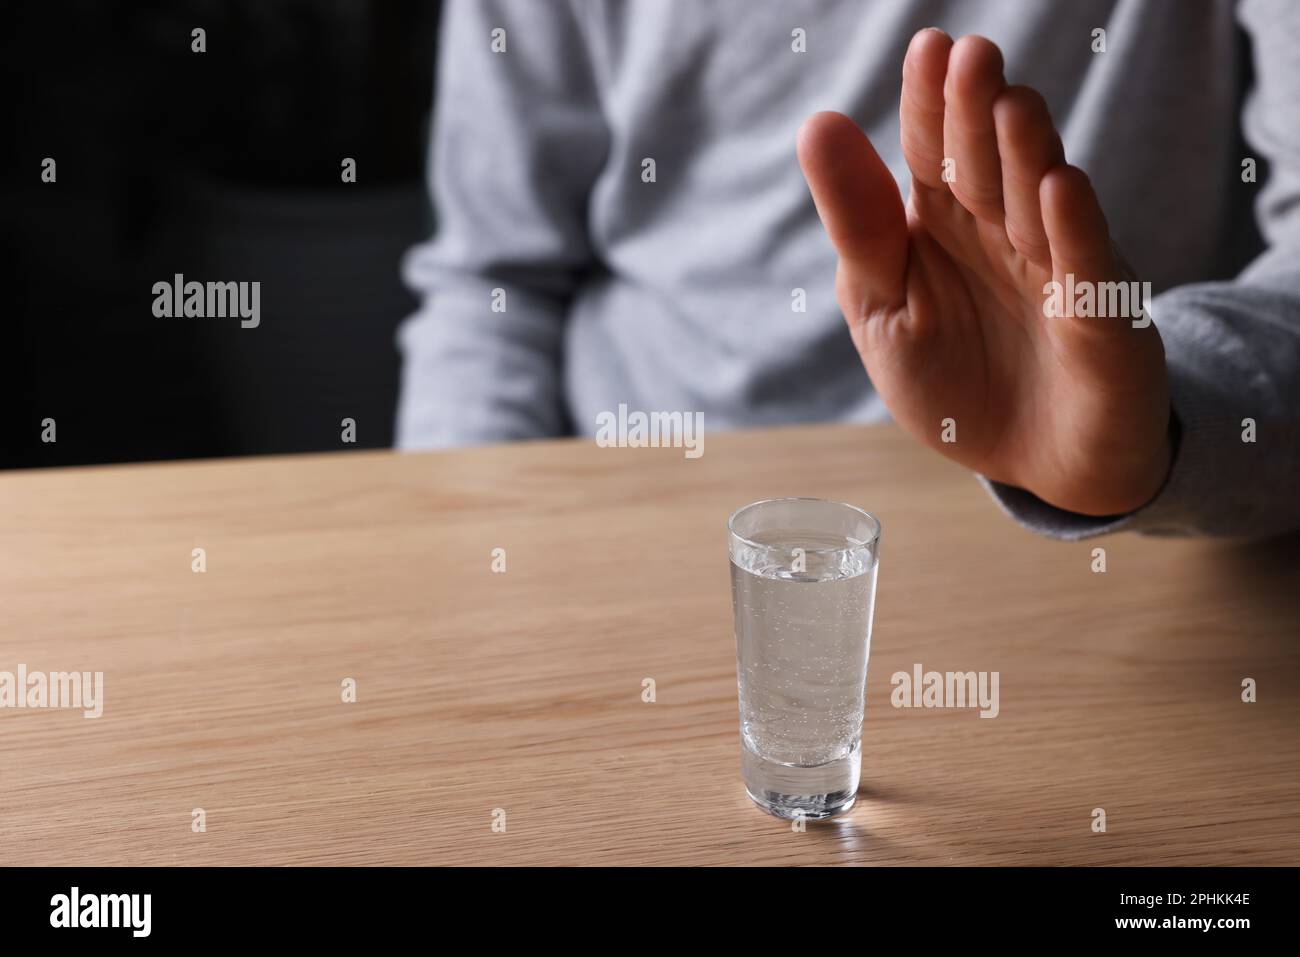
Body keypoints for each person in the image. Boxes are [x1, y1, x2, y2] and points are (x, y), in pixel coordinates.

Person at [396, 0, 1299, 540]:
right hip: (622, 511)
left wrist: (1169, 429)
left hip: (1114, 569)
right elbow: (493, 281)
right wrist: (481, 552)